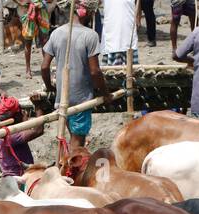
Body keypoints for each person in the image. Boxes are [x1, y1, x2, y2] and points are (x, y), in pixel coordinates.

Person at [42, 2, 107, 148]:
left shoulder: (56, 33)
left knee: (72, 136)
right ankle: (70, 168)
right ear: (88, 13)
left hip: (62, 98)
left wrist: (50, 88)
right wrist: (105, 93)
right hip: (80, 99)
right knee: (78, 142)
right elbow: (95, 71)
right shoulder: (90, 35)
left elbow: (44, 67)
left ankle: (67, 163)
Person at [0, 95, 45, 174]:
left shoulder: (3, 129)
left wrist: (24, 122)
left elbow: (27, 131)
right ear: (16, 116)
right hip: (19, 175)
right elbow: (38, 131)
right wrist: (38, 106)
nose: (22, 112)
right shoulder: (10, 135)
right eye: (20, 111)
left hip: (13, 174)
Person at [18, 0, 51, 76]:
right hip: (29, 13)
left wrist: (42, 3)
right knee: (28, 42)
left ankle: (46, 67)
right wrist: (25, 3)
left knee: (45, 42)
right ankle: (28, 69)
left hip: (42, 12)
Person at [101, 0, 138, 65]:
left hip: (128, 25)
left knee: (128, 44)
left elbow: (137, 5)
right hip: (112, 25)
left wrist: (138, 18)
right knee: (113, 44)